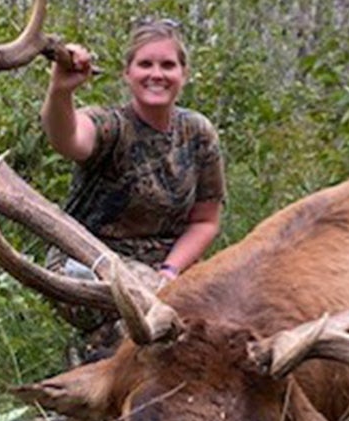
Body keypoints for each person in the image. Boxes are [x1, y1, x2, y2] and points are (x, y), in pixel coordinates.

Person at [40, 20, 226, 364]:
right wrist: (61, 91)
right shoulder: (112, 126)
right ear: (128, 73)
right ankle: (94, 370)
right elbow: (69, 139)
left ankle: (101, 352)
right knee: (154, 326)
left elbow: (205, 221)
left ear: (183, 74)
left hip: (163, 269)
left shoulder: (198, 133)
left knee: (217, 323)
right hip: (85, 260)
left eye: (168, 65)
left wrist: (170, 272)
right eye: (145, 64)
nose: (157, 74)